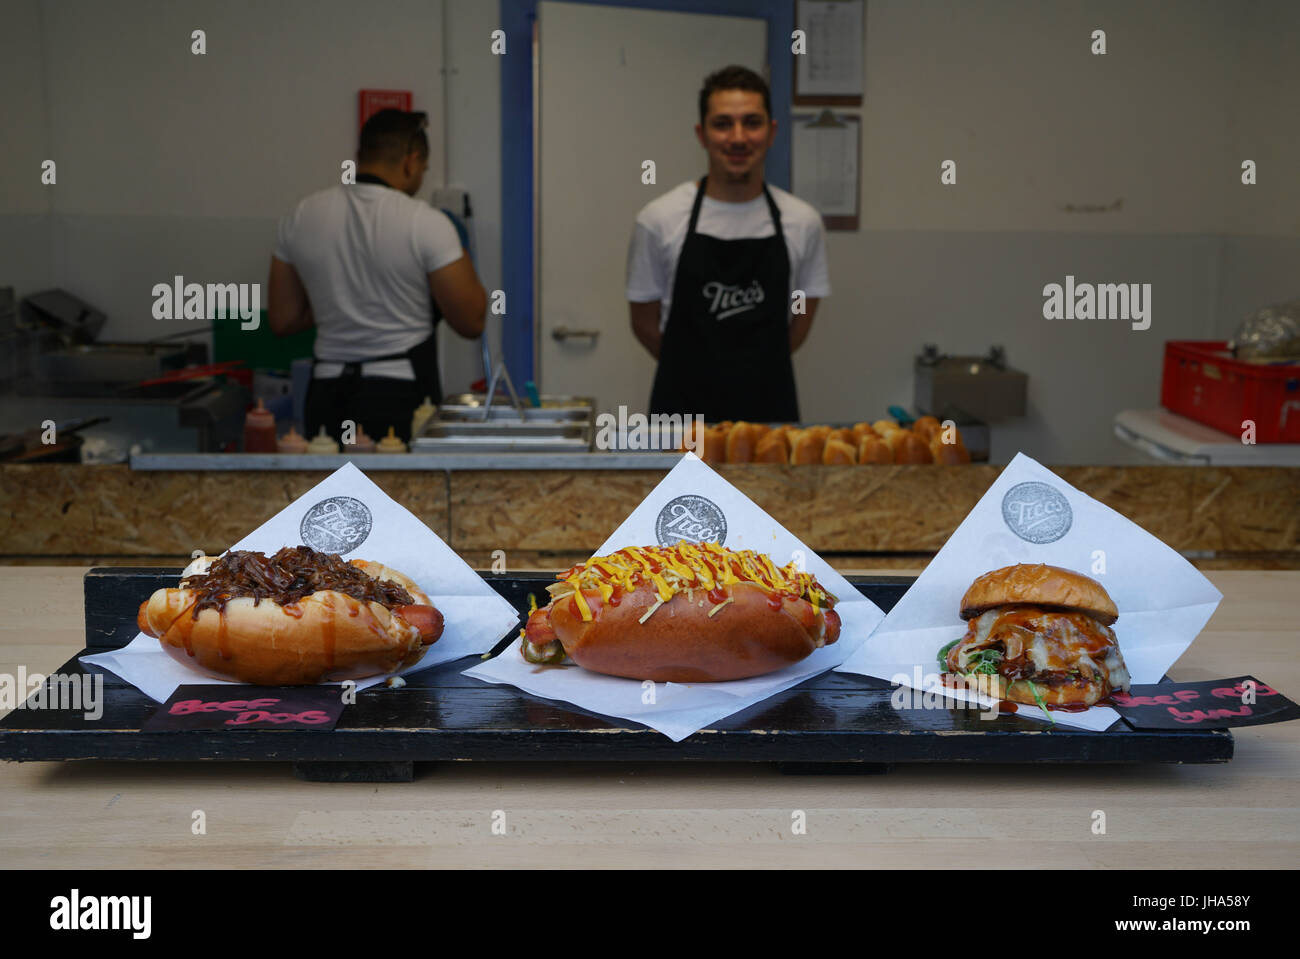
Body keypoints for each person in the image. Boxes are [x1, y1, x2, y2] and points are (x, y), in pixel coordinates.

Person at [626, 65, 830, 424]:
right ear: (702, 134)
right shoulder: (659, 219)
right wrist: (698, 372)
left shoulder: (803, 222)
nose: (738, 137)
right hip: (680, 416)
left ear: (771, 132)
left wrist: (749, 373)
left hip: (770, 413)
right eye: (723, 124)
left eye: (752, 122)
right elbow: (643, 323)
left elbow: (799, 325)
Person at [267, 109, 486, 443]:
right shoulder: (426, 223)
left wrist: (341, 300)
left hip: (327, 395)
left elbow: (282, 320)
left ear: (359, 157)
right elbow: (472, 322)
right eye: (423, 170)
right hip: (400, 399)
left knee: (335, 495)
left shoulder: (301, 215)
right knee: (400, 496)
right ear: (411, 162)